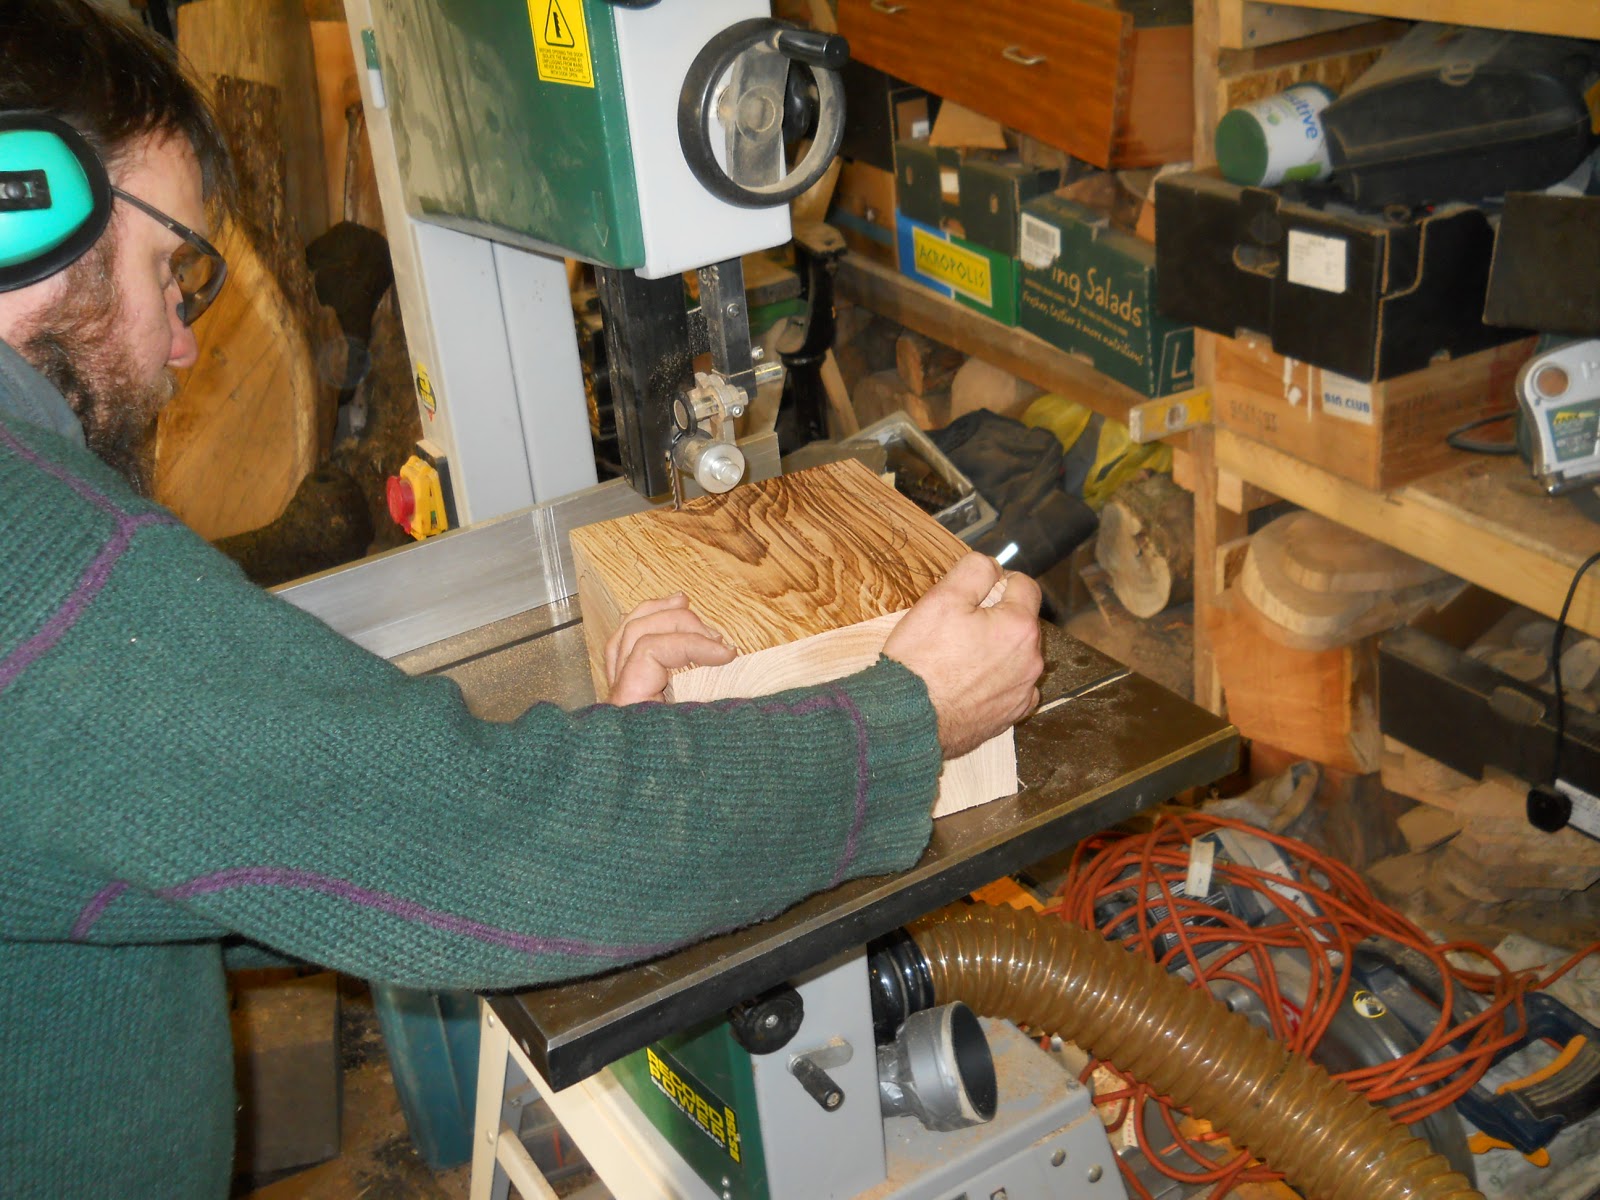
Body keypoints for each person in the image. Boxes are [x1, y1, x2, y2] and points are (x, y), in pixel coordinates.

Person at [0, 2, 1045, 1196]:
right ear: (23, 200)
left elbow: (158, 830)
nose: (184, 346)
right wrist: (905, 726)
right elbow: (482, 846)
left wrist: (623, 768)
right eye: (172, 271)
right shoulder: (40, 567)